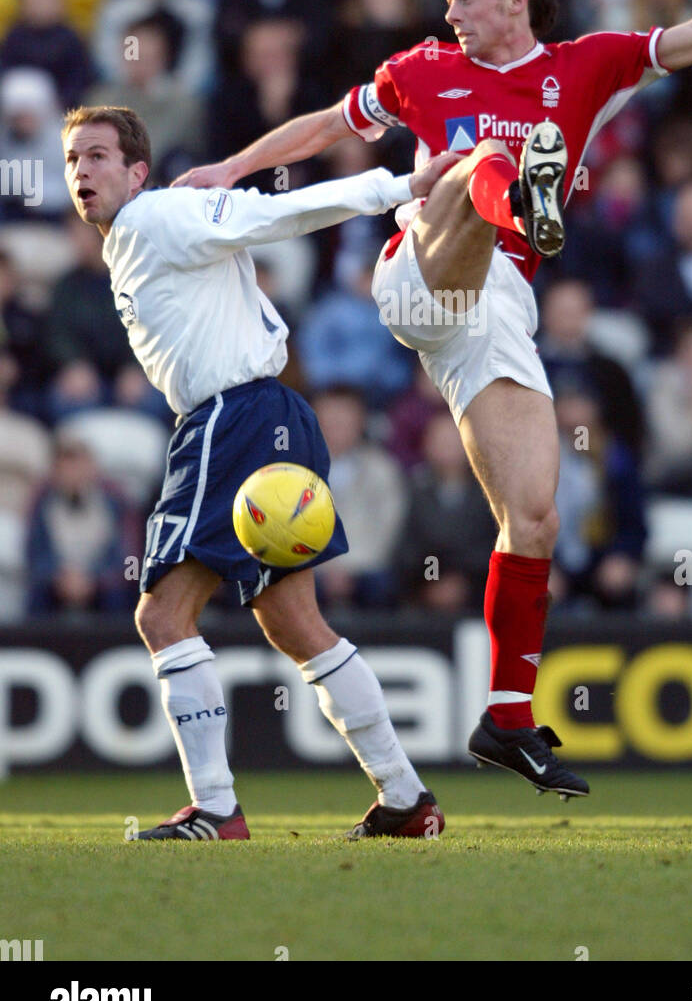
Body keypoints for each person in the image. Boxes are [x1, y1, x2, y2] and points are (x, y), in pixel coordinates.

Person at [175, 0, 692, 801]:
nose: (450, 12)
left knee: (534, 518)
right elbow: (326, 126)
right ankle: (519, 198)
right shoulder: (423, 70)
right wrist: (229, 171)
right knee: (471, 158)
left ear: (517, 3)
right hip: (422, 271)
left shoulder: (587, 66)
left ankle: (508, 715)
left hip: (497, 312)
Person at [61, 103, 454, 840]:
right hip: (275, 414)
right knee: (295, 621)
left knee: (162, 615)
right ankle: (406, 798)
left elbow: (273, 215)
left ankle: (214, 807)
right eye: (73, 160)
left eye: (98, 156)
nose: (82, 172)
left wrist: (399, 186)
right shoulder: (132, 240)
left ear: (137, 171)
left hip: (229, 420)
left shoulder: (156, 217)